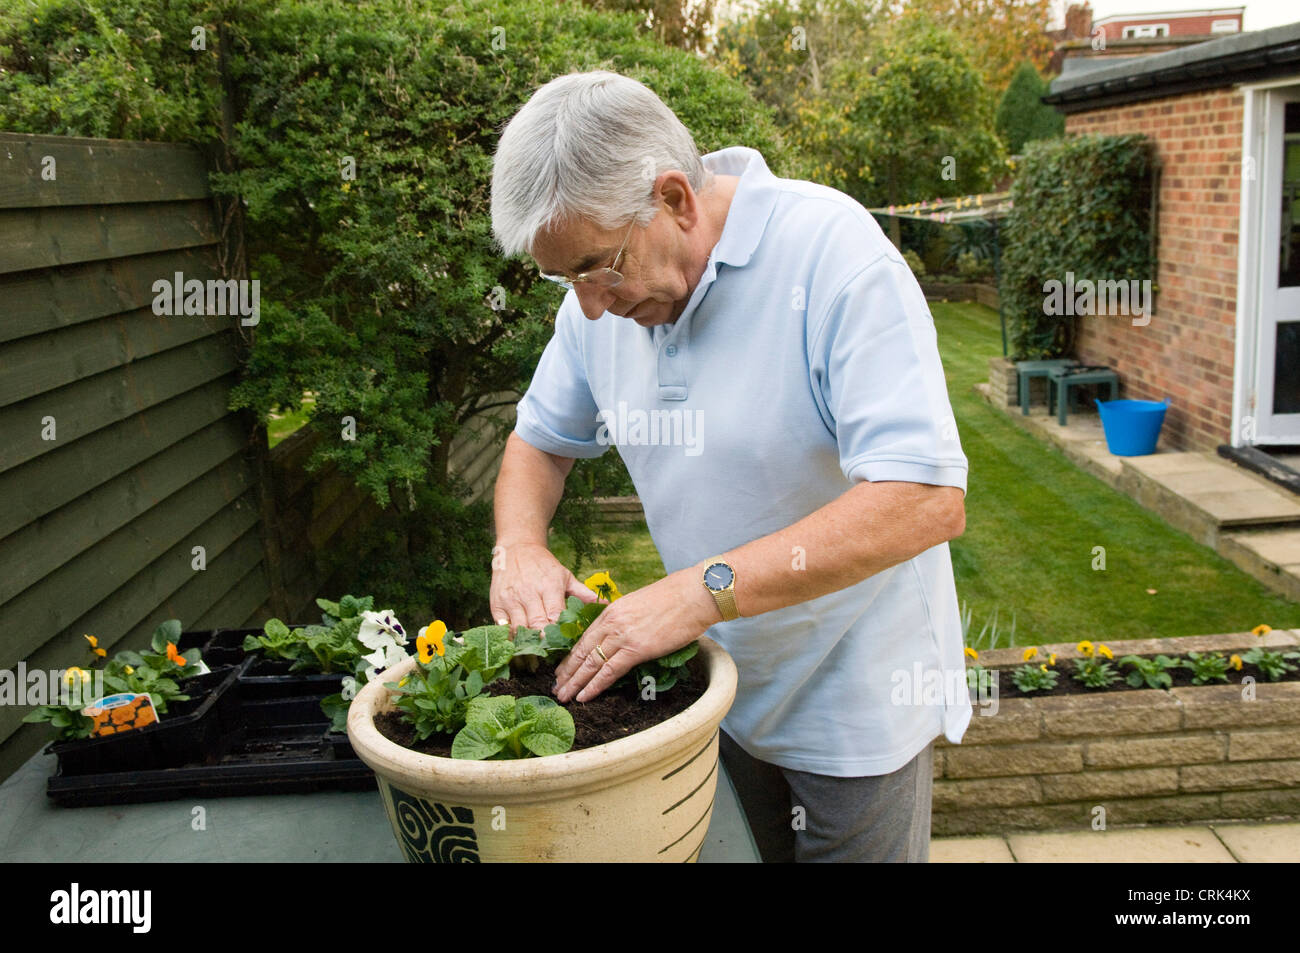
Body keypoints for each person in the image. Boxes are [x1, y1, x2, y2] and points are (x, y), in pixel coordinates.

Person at [488, 70, 970, 863]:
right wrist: (520, 546)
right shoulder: (602, 303)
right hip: (716, 693)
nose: (589, 306)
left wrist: (699, 590)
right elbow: (537, 442)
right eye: (563, 276)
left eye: (597, 267)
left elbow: (922, 497)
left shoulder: (832, 256)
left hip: (857, 702)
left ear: (675, 198)